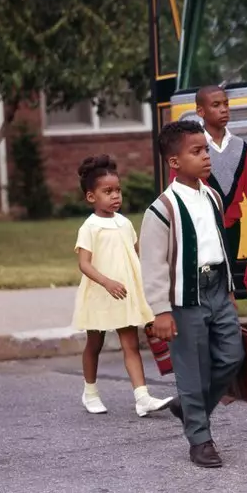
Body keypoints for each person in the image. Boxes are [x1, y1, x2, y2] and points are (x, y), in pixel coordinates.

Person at [140, 121, 244, 468]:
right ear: (174, 162)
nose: (206, 156)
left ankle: (187, 406)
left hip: (217, 287)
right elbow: (153, 263)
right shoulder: (162, 208)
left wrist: (229, 288)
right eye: (196, 151)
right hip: (184, 296)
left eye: (206, 150)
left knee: (232, 356)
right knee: (191, 369)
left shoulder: (211, 194)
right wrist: (160, 311)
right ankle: (200, 439)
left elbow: (220, 245)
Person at [71, 155, 174, 417]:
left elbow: (137, 254)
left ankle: (142, 397)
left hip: (124, 294)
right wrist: (106, 282)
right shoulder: (90, 226)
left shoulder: (125, 223)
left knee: (130, 344)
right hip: (100, 294)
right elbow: (84, 263)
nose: (115, 196)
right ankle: (90, 392)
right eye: (107, 192)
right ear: (91, 197)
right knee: (94, 344)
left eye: (118, 190)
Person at [183, 85, 247, 264]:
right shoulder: (188, 147)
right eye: (216, 105)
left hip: (232, 227)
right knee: (204, 279)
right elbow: (178, 189)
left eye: (226, 104)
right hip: (200, 226)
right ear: (200, 111)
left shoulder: (240, 147)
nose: (223, 109)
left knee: (228, 280)